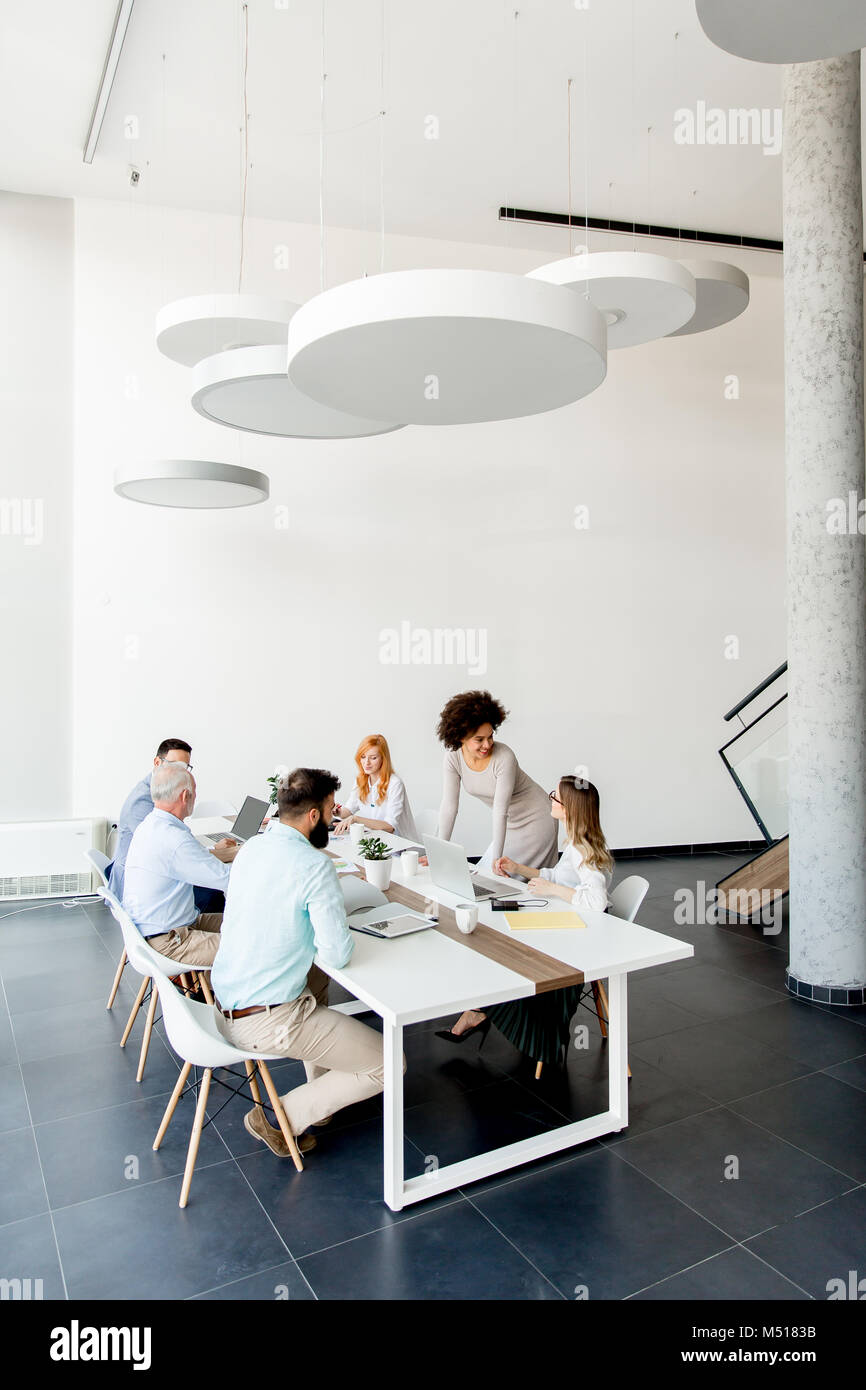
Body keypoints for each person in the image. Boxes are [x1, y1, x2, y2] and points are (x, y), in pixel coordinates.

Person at [211, 767, 398, 1158]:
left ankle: (324, 1099)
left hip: (226, 1002)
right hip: (268, 1021)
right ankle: (281, 1118)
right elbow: (337, 954)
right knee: (389, 1062)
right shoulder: (315, 866)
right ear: (314, 815)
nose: (334, 818)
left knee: (317, 981)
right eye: (331, 810)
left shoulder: (250, 850)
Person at [437, 777, 613, 1065]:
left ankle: (483, 1011)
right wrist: (520, 869)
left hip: (579, 943)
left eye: (556, 796)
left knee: (507, 950)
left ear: (569, 808)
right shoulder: (576, 842)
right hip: (570, 926)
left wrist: (552, 890)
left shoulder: (584, 849)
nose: (551, 797)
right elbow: (559, 877)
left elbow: (596, 900)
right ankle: (478, 1010)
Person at [122, 762, 239, 968]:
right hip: (170, 941)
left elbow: (191, 859)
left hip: (162, 929)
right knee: (256, 944)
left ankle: (219, 990)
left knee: (246, 923)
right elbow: (228, 880)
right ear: (185, 796)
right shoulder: (174, 839)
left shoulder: (151, 825)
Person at [436, 690, 557, 875]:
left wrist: (497, 861)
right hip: (509, 824)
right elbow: (449, 807)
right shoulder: (453, 758)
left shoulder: (504, 757)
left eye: (490, 736)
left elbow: (500, 811)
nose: (487, 744)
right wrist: (439, 851)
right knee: (483, 877)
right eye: (479, 739)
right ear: (461, 737)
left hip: (536, 819)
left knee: (503, 879)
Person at [108, 739, 193, 900]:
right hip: (137, 883)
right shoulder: (142, 801)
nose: (181, 774)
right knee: (211, 893)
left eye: (185, 768)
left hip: (154, 870)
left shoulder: (164, 790)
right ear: (157, 762)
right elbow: (164, 847)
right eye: (175, 766)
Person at [332, 734, 419, 840]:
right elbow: (348, 811)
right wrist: (338, 812)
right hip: (375, 840)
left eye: (373, 758)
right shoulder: (360, 781)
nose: (366, 763)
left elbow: (390, 827)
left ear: (383, 759)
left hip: (400, 843)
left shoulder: (395, 784)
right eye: (363, 757)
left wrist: (356, 819)